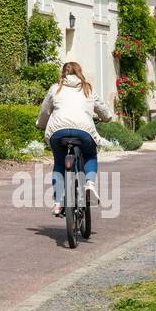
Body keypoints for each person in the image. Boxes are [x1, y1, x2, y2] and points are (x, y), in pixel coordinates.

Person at [36, 61, 113, 217]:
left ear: (63, 73)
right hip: (84, 131)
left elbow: (45, 111)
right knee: (90, 154)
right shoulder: (88, 89)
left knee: (59, 163)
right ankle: (90, 184)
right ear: (80, 72)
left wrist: (41, 124)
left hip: (58, 132)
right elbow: (105, 111)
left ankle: (58, 203)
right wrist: (106, 118)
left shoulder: (55, 88)